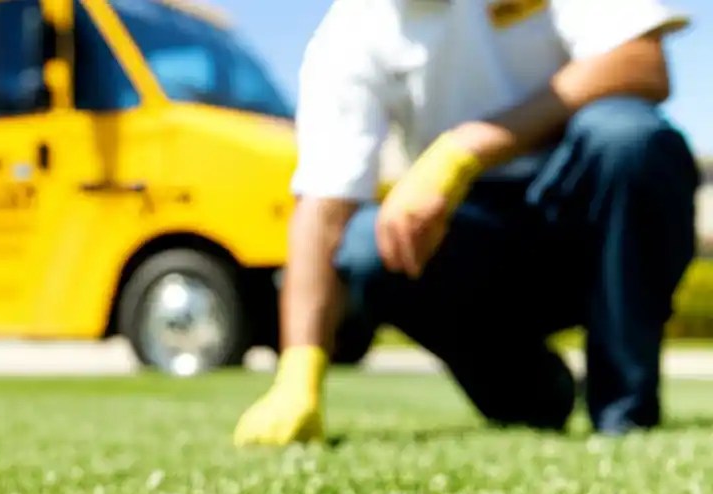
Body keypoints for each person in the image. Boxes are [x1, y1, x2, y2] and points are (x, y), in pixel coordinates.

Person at [234, 0, 699, 445]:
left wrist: (469, 147)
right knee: (364, 246)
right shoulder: (349, 34)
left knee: (627, 137)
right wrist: (298, 370)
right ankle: (532, 391)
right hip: (472, 233)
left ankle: (624, 410)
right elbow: (323, 208)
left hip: (587, 207)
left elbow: (641, 62)